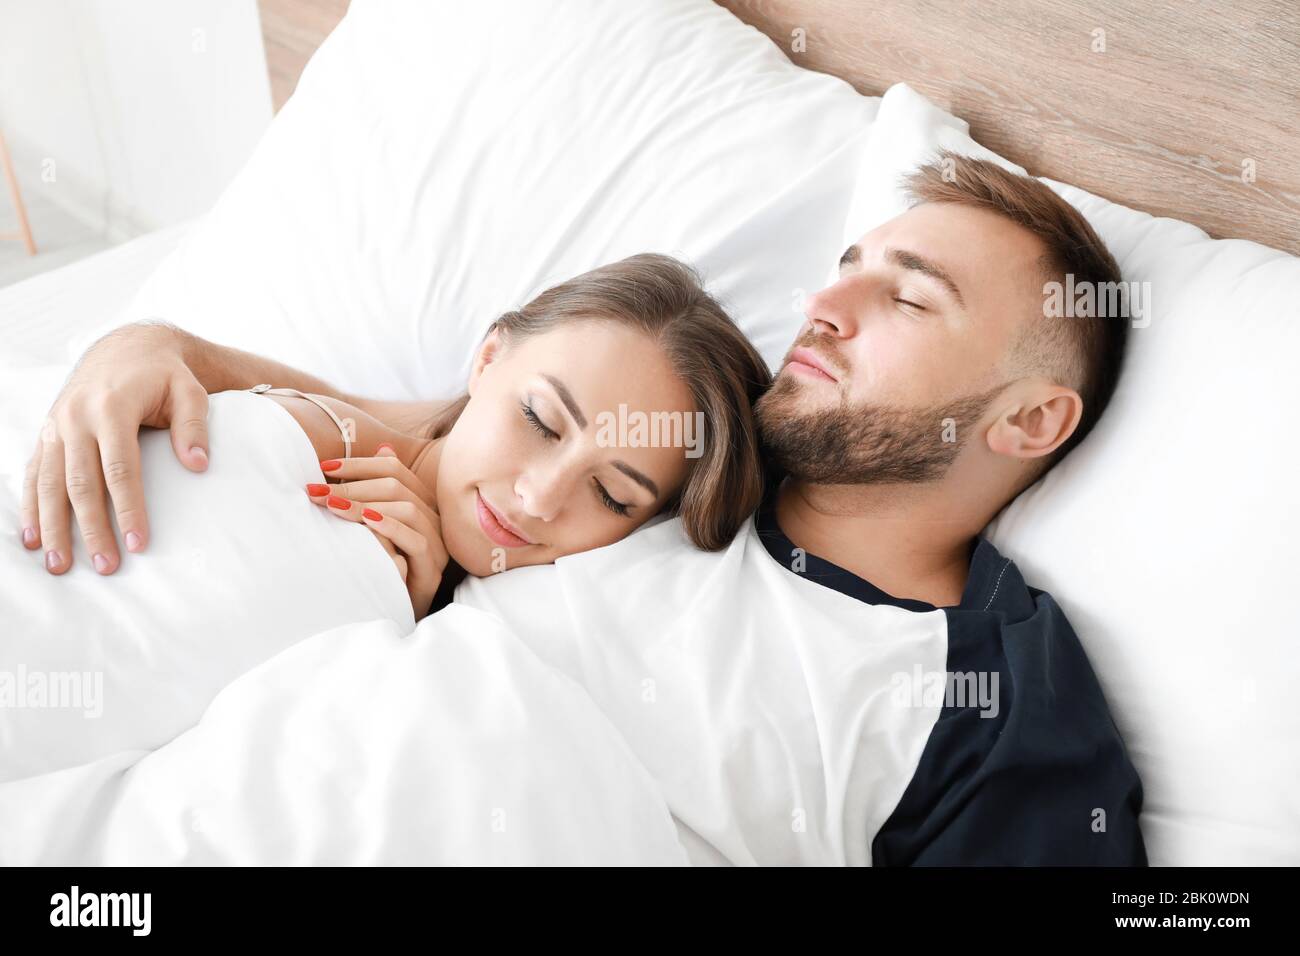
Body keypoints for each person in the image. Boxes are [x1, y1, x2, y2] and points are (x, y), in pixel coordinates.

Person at [18, 152, 1147, 864]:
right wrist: (158, 341)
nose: (823, 302)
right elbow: (465, 422)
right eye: (846, 264)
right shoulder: (686, 455)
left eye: (905, 296)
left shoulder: (993, 696)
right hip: (253, 766)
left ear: (1030, 421)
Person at [19, 253, 771, 618]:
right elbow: (250, 379)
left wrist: (392, 611)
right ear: (487, 357)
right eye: (539, 420)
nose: (538, 497)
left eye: (610, 494)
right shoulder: (384, 437)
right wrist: (136, 345)